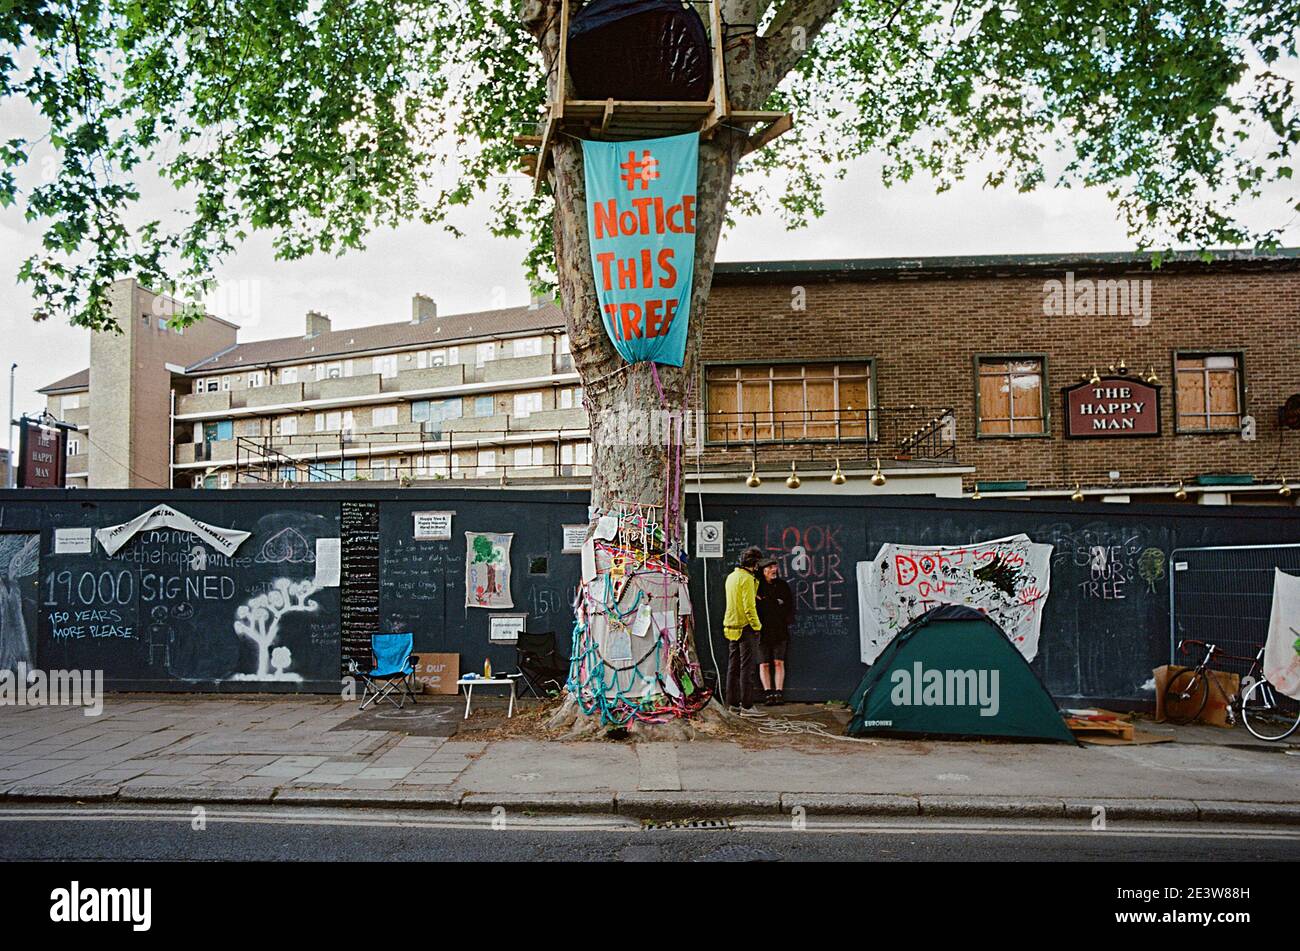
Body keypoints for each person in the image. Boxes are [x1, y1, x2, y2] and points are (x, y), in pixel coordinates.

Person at [722, 546, 764, 715]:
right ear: (754, 563)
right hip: (746, 627)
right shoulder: (746, 579)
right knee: (747, 668)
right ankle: (746, 705)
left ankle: (732, 703)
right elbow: (749, 607)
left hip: (731, 625)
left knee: (733, 667)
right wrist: (757, 626)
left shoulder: (732, 577)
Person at [756, 557, 795, 705]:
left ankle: (778, 692)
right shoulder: (757, 586)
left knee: (779, 662)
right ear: (763, 570)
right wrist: (774, 602)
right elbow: (757, 607)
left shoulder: (782, 586)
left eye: (775, 567)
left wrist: (766, 601)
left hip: (779, 630)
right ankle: (768, 693)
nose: (774, 570)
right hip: (761, 631)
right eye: (770, 568)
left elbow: (788, 606)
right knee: (764, 663)